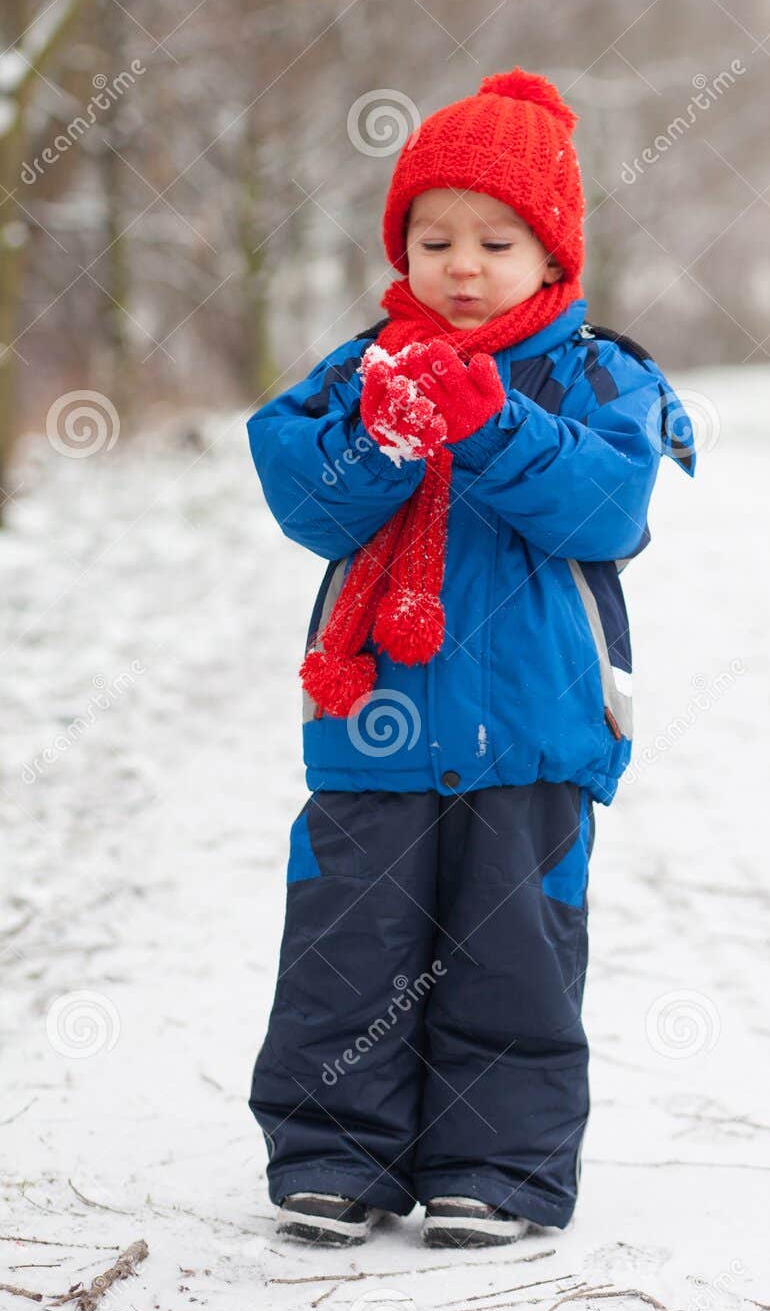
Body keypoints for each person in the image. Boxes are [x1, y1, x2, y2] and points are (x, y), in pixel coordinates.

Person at [246, 68, 696, 1249]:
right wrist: (389, 436)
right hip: (372, 728)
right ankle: (334, 1155)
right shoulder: (362, 371)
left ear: (551, 254)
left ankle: (495, 1167)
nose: (460, 264)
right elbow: (305, 494)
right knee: (350, 947)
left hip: (533, 729)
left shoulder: (597, 375)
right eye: (433, 236)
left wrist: (488, 424)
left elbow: (604, 509)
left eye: (495, 239)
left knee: (511, 955)